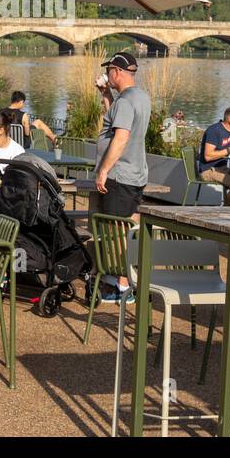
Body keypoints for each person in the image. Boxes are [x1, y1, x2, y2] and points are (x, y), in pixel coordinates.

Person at [93, 52, 151, 298]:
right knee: (126, 229)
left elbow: (121, 136)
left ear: (116, 72)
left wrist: (104, 170)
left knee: (117, 232)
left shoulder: (125, 102)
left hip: (120, 175)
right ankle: (125, 280)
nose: (107, 75)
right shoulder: (138, 97)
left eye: (109, 71)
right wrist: (106, 95)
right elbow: (116, 120)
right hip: (135, 173)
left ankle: (123, 286)